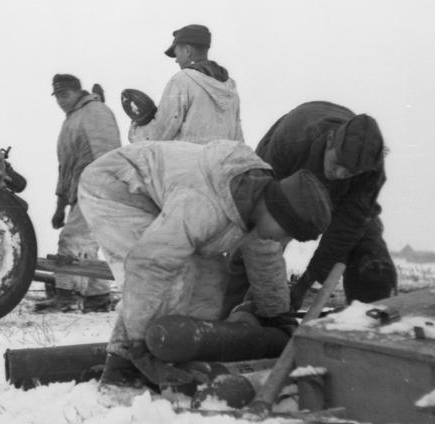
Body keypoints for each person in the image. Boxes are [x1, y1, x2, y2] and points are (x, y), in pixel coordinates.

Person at [78, 139, 332, 389]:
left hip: (162, 199)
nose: (284, 240)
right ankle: (121, 371)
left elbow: (266, 259)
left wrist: (277, 315)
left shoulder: (258, 202)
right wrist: (140, 347)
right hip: (115, 187)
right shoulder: (205, 205)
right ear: (277, 211)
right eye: (287, 232)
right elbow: (149, 266)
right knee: (172, 276)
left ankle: (180, 355)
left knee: (212, 284)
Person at [229, 101, 395, 309]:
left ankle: (367, 319)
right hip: (288, 167)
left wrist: (306, 283)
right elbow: (262, 211)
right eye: (337, 165)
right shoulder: (292, 141)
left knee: (368, 253)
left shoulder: (370, 168)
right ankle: (231, 318)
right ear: (331, 140)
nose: (340, 175)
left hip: (345, 197)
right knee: (258, 240)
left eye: (351, 172)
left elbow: (346, 230)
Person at [34, 74, 122, 313]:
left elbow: (108, 154)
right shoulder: (72, 119)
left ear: (77, 91)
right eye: (57, 96)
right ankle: (98, 297)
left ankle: (65, 296)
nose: (61, 100)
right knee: (90, 246)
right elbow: (65, 168)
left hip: (96, 189)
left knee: (70, 241)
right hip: (80, 192)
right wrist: (59, 206)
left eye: (65, 94)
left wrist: (104, 192)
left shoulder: (95, 111)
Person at [128, 24, 244, 144]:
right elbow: (239, 142)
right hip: (221, 162)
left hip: (189, 162)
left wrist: (136, 127)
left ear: (188, 51)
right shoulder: (230, 88)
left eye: (177, 53)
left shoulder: (182, 81)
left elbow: (158, 135)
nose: (176, 60)